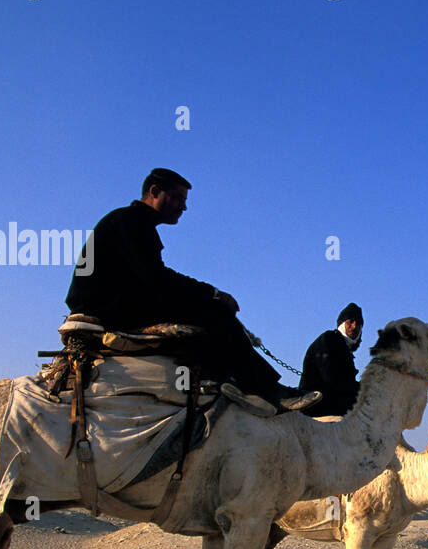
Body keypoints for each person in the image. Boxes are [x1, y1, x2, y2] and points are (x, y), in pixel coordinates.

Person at [66, 168, 318, 413]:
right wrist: (214, 294)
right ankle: (266, 389)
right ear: (154, 191)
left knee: (204, 309)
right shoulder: (130, 222)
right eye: (177, 198)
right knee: (214, 313)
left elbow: (155, 278)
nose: (183, 207)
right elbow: (156, 278)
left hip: (117, 300)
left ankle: (229, 379)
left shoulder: (130, 222)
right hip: (108, 306)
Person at [298, 303, 364, 417]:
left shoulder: (344, 347)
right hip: (318, 406)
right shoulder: (328, 340)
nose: (354, 326)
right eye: (351, 321)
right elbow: (333, 379)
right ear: (342, 324)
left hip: (332, 404)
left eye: (358, 324)